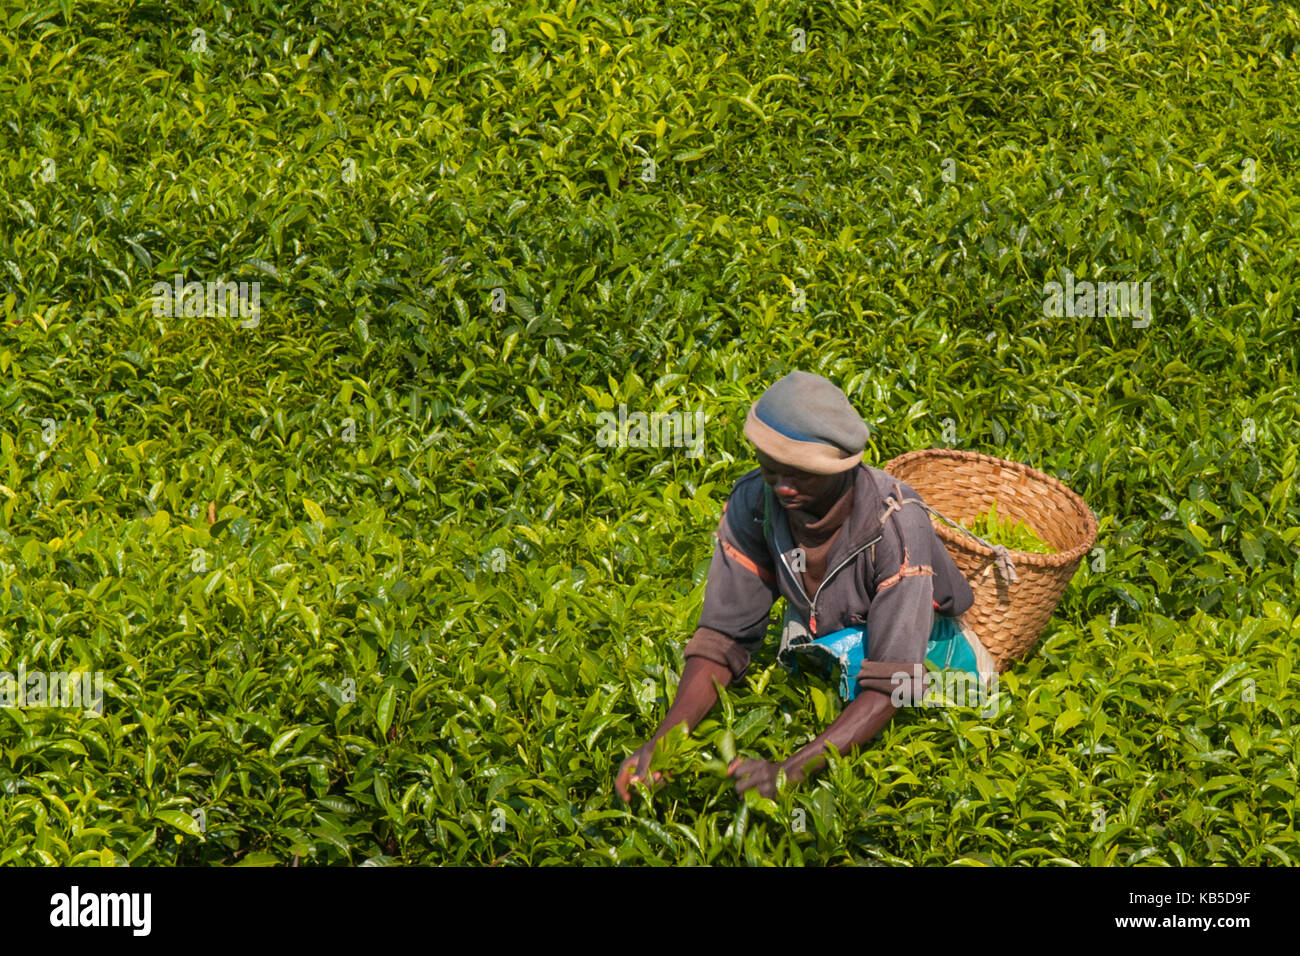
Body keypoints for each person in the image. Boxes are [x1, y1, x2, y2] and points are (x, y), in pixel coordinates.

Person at [615, 370, 985, 801]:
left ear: (841, 468)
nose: (783, 488)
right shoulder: (755, 500)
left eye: (801, 476)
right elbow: (723, 636)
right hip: (829, 621)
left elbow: (895, 683)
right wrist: (663, 742)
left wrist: (790, 770)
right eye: (772, 471)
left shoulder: (897, 524)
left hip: (923, 640)